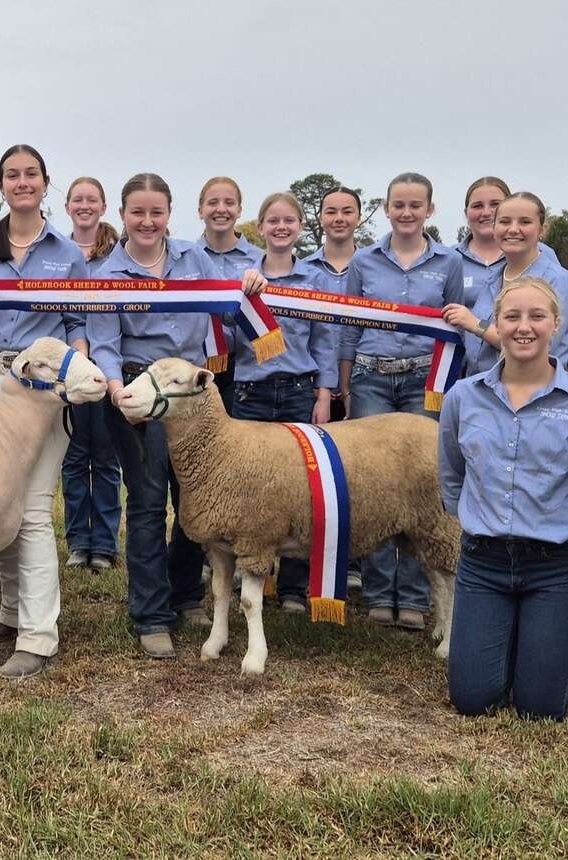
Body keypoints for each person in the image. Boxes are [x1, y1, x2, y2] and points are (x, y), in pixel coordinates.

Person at [87, 172, 266, 659]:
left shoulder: (195, 258)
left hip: (191, 394)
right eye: (137, 212)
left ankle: (186, 594)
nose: (147, 221)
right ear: (122, 215)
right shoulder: (106, 275)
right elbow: (104, 343)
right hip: (138, 392)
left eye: (156, 212)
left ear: (169, 214)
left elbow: (229, 304)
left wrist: (250, 285)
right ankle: (151, 615)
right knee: (147, 503)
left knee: (195, 498)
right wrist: (119, 394)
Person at [438, 277, 568, 720]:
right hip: (484, 563)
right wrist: (477, 522)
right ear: (497, 324)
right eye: (512, 316)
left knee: (539, 708)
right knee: (474, 700)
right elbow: (452, 474)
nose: (524, 327)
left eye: (537, 316)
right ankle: (527, 643)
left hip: (559, 566)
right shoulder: (463, 398)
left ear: (556, 324)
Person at [0, 145, 86, 678]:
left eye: (31, 174)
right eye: (12, 175)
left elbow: (77, 325)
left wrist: (74, 381)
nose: (22, 182)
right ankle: (9, 612)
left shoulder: (67, 253)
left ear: (45, 183)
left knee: (30, 509)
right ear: (1, 185)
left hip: (43, 388)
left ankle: (38, 636)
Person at [341, 173, 464, 631]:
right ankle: (378, 592)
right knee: (370, 483)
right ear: (386, 209)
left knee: (419, 488)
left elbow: (454, 331)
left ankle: (412, 596)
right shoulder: (363, 261)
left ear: (430, 210)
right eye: (399, 205)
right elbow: (349, 325)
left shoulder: (449, 263)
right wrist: (345, 386)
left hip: (423, 380)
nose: (407, 212)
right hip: (371, 377)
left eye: (416, 205)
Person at [230, 192, 337, 613]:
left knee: (303, 490)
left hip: (298, 390)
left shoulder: (314, 281)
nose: (281, 227)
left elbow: (325, 340)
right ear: (260, 226)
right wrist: (239, 296)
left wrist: (324, 393)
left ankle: (293, 585)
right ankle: (253, 573)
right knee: (250, 486)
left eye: (289, 220)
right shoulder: (243, 276)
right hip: (251, 392)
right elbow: (224, 333)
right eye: (273, 220)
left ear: (301, 227)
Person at [442, 192, 568, 374]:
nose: (513, 229)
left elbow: (539, 348)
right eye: (505, 222)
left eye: (525, 222)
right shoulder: (494, 278)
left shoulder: (557, 280)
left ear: (542, 229)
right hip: (482, 385)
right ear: (494, 227)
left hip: (531, 387)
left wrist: (476, 325)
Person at [61, 177, 123, 572]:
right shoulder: (56, 253)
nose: (84, 205)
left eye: (92, 200)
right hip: (68, 369)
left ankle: (103, 543)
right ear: (67, 206)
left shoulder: (118, 255)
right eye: (77, 200)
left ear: (103, 207)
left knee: (105, 457)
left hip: (106, 368)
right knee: (73, 457)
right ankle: (77, 542)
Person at [193, 177, 263, 413]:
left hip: (245, 368)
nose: (221, 209)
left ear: (239, 210)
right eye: (213, 202)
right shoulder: (185, 257)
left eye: (229, 203)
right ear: (200, 210)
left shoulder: (260, 259)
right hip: (197, 365)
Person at [300, 186, 362, 422]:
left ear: (359, 217)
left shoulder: (374, 269)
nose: (339, 218)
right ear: (320, 217)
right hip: (312, 389)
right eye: (331, 211)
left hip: (363, 386)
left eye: (347, 211)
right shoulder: (302, 271)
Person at [450, 177, 510, 375]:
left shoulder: (537, 256)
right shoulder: (448, 259)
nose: (486, 212)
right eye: (477, 206)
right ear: (466, 213)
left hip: (518, 372)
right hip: (460, 375)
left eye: (495, 204)